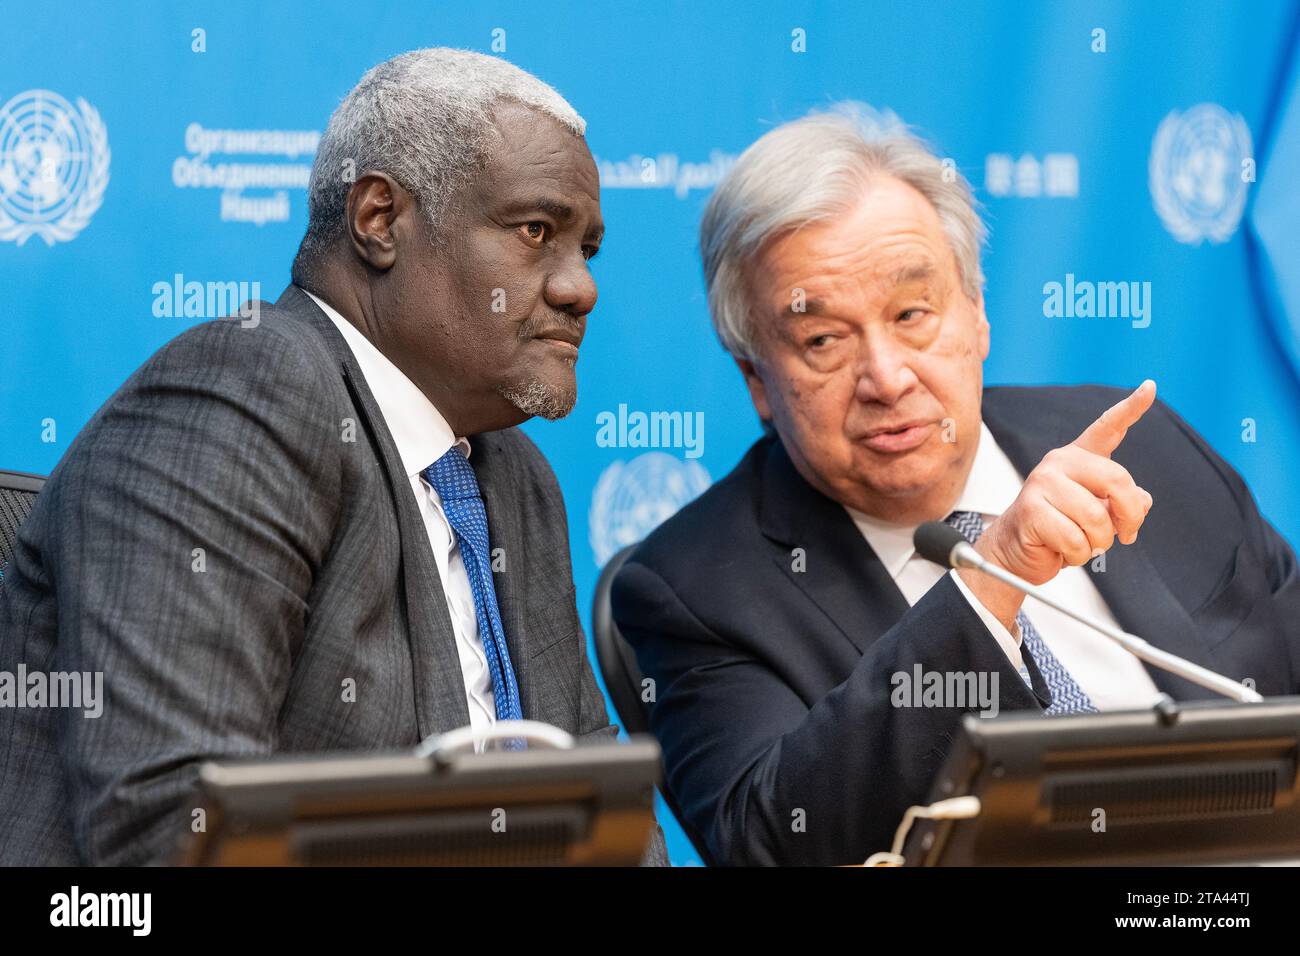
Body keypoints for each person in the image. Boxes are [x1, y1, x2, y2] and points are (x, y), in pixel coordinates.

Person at [0, 48, 665, 866]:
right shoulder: (243, 395)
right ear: (379, 219)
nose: (580, 287)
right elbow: (179, 826)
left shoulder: (515, 475)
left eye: (587, 250)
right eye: (537, 231)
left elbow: (597, 799)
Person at [611, 104, 1300, 866]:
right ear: (758, 383)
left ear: (976, 317)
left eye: (913, 314)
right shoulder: (695, 589)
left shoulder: (1142, 445)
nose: (886, 377)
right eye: (822, 341)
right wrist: (992, 584)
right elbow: (771, 842)